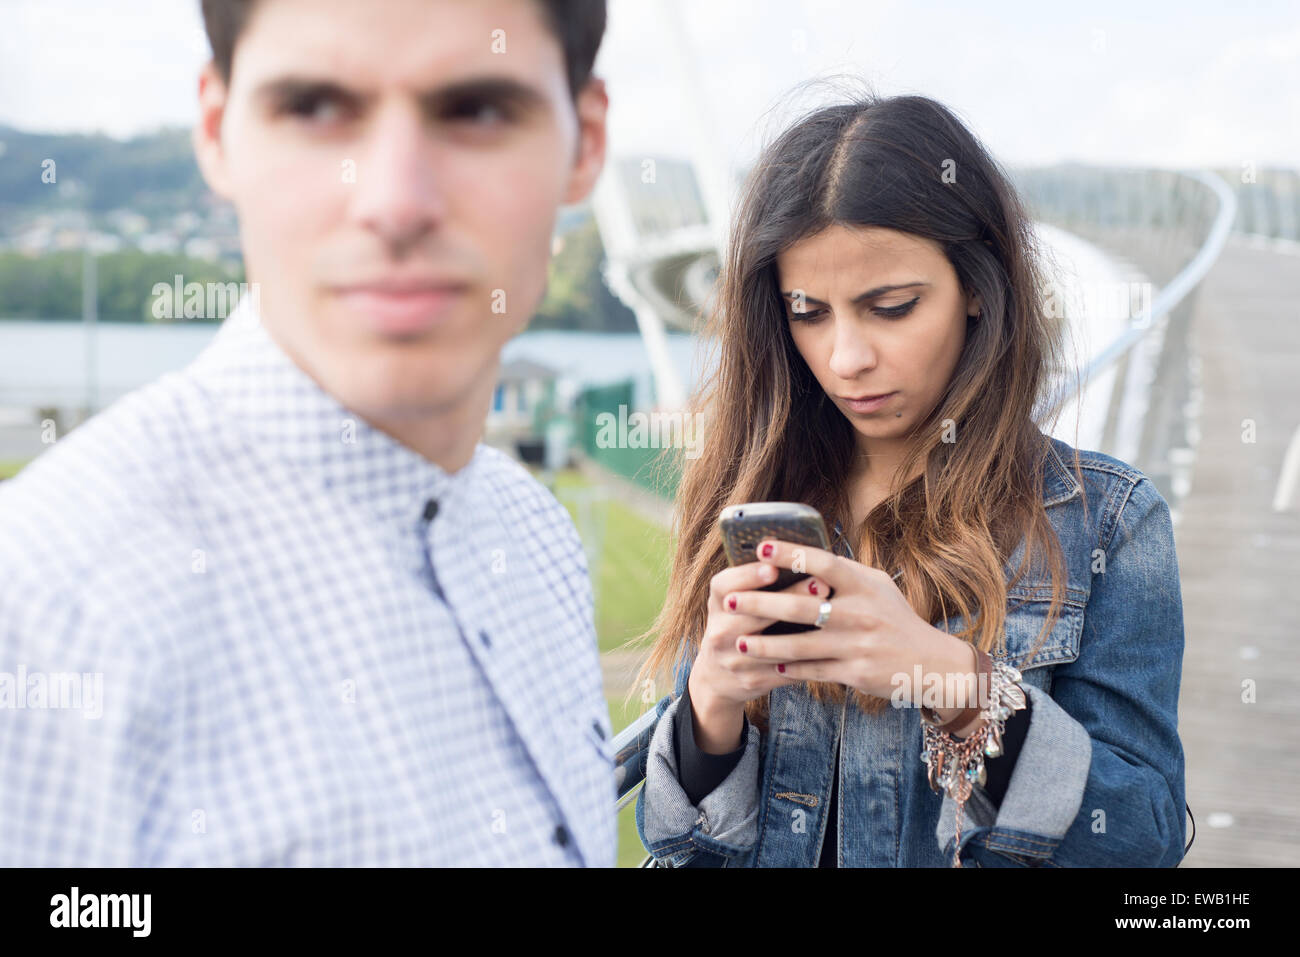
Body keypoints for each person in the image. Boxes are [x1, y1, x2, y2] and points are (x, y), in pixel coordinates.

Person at [0, 0, 614, 866]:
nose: (396, 202)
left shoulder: (537, 538)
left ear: (586, 143)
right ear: (215, 132)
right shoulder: (40, 617)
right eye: (317, 109)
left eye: (475, 110)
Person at [632, 90, 1188, 867]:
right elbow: (678, 849)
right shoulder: (752, 489)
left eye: (890, 307)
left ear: (977, 290)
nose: (844, 358)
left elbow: (1143, 837)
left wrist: (959, 686)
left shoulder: (1107, 521)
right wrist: (711, 711)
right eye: (808, 311)